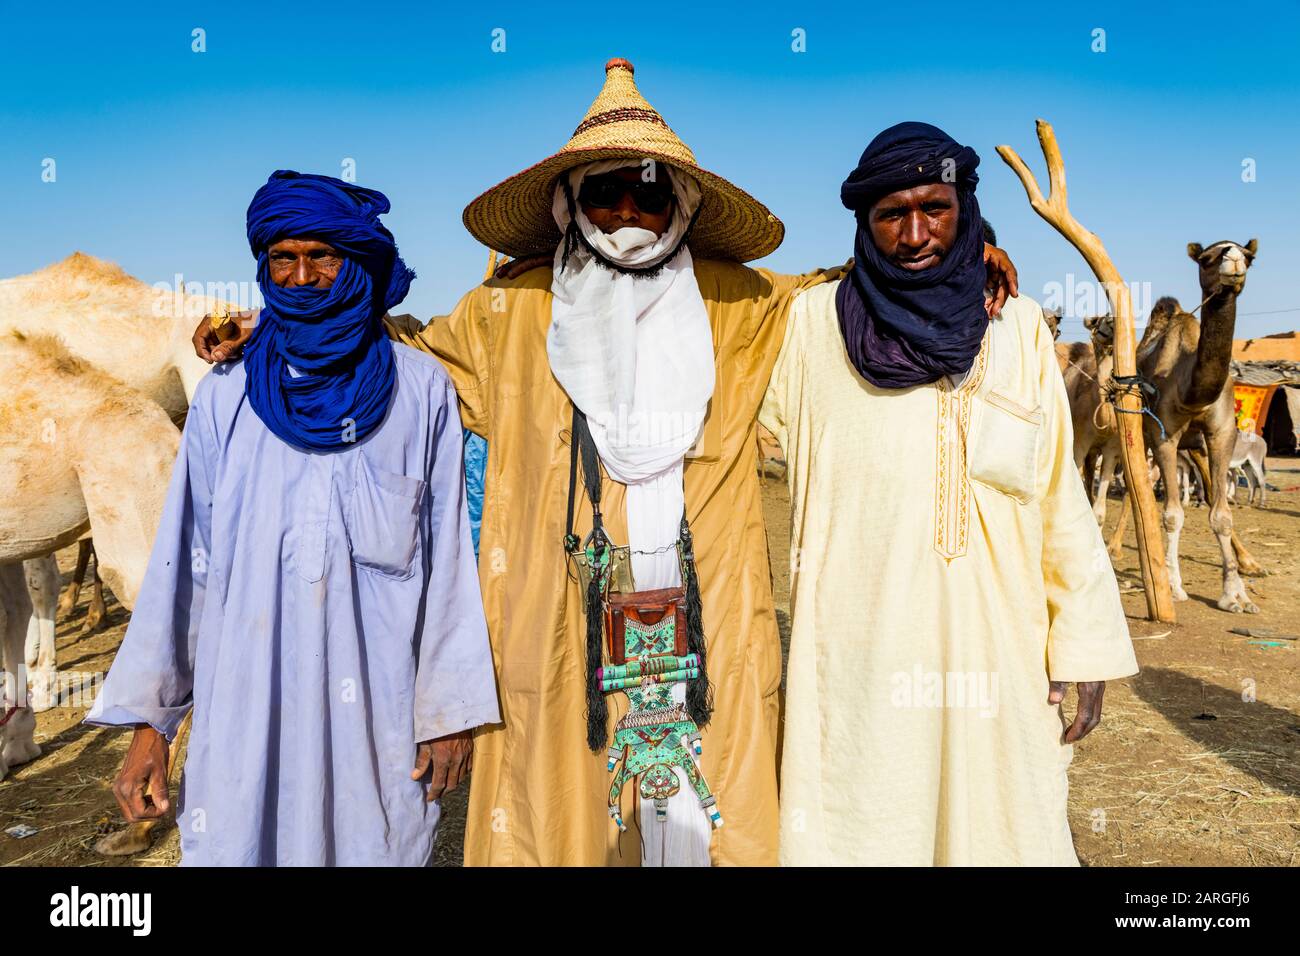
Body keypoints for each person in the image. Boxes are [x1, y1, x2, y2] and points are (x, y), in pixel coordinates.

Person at [194, 62, 1018, 866]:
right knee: (564, 820)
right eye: (605, 191)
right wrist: (269, 329)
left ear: (681, 202)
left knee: (706, 821)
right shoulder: (507, 312)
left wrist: (966, 256)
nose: (629, 208)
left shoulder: (745, 303)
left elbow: (863, 286)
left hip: (709, 624)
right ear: (569, 204)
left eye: (651, 189)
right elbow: (386, 351)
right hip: (558, 626)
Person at [89, 171, 499, 866]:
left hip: (378, 719)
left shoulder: (420, 389)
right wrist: (150, 728)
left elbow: (449, 568)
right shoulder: (227, 394)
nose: (303, 276)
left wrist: (448, 715)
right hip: (246, 709)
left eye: (322, 255)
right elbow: (183, 565)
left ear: (357, 262)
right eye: (284, 257)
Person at [759, 122, 1138, 865]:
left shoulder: (1021, 328)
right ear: (862, 227)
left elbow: (1060, 497)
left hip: (998, 658)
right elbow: (712, 302)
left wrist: (1085, 649)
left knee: (1003, 828)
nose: (914, 234)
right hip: (858, 662)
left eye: (935, 207)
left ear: (965, 207)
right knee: (861, 825)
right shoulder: (809, 328)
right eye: (890, 215)